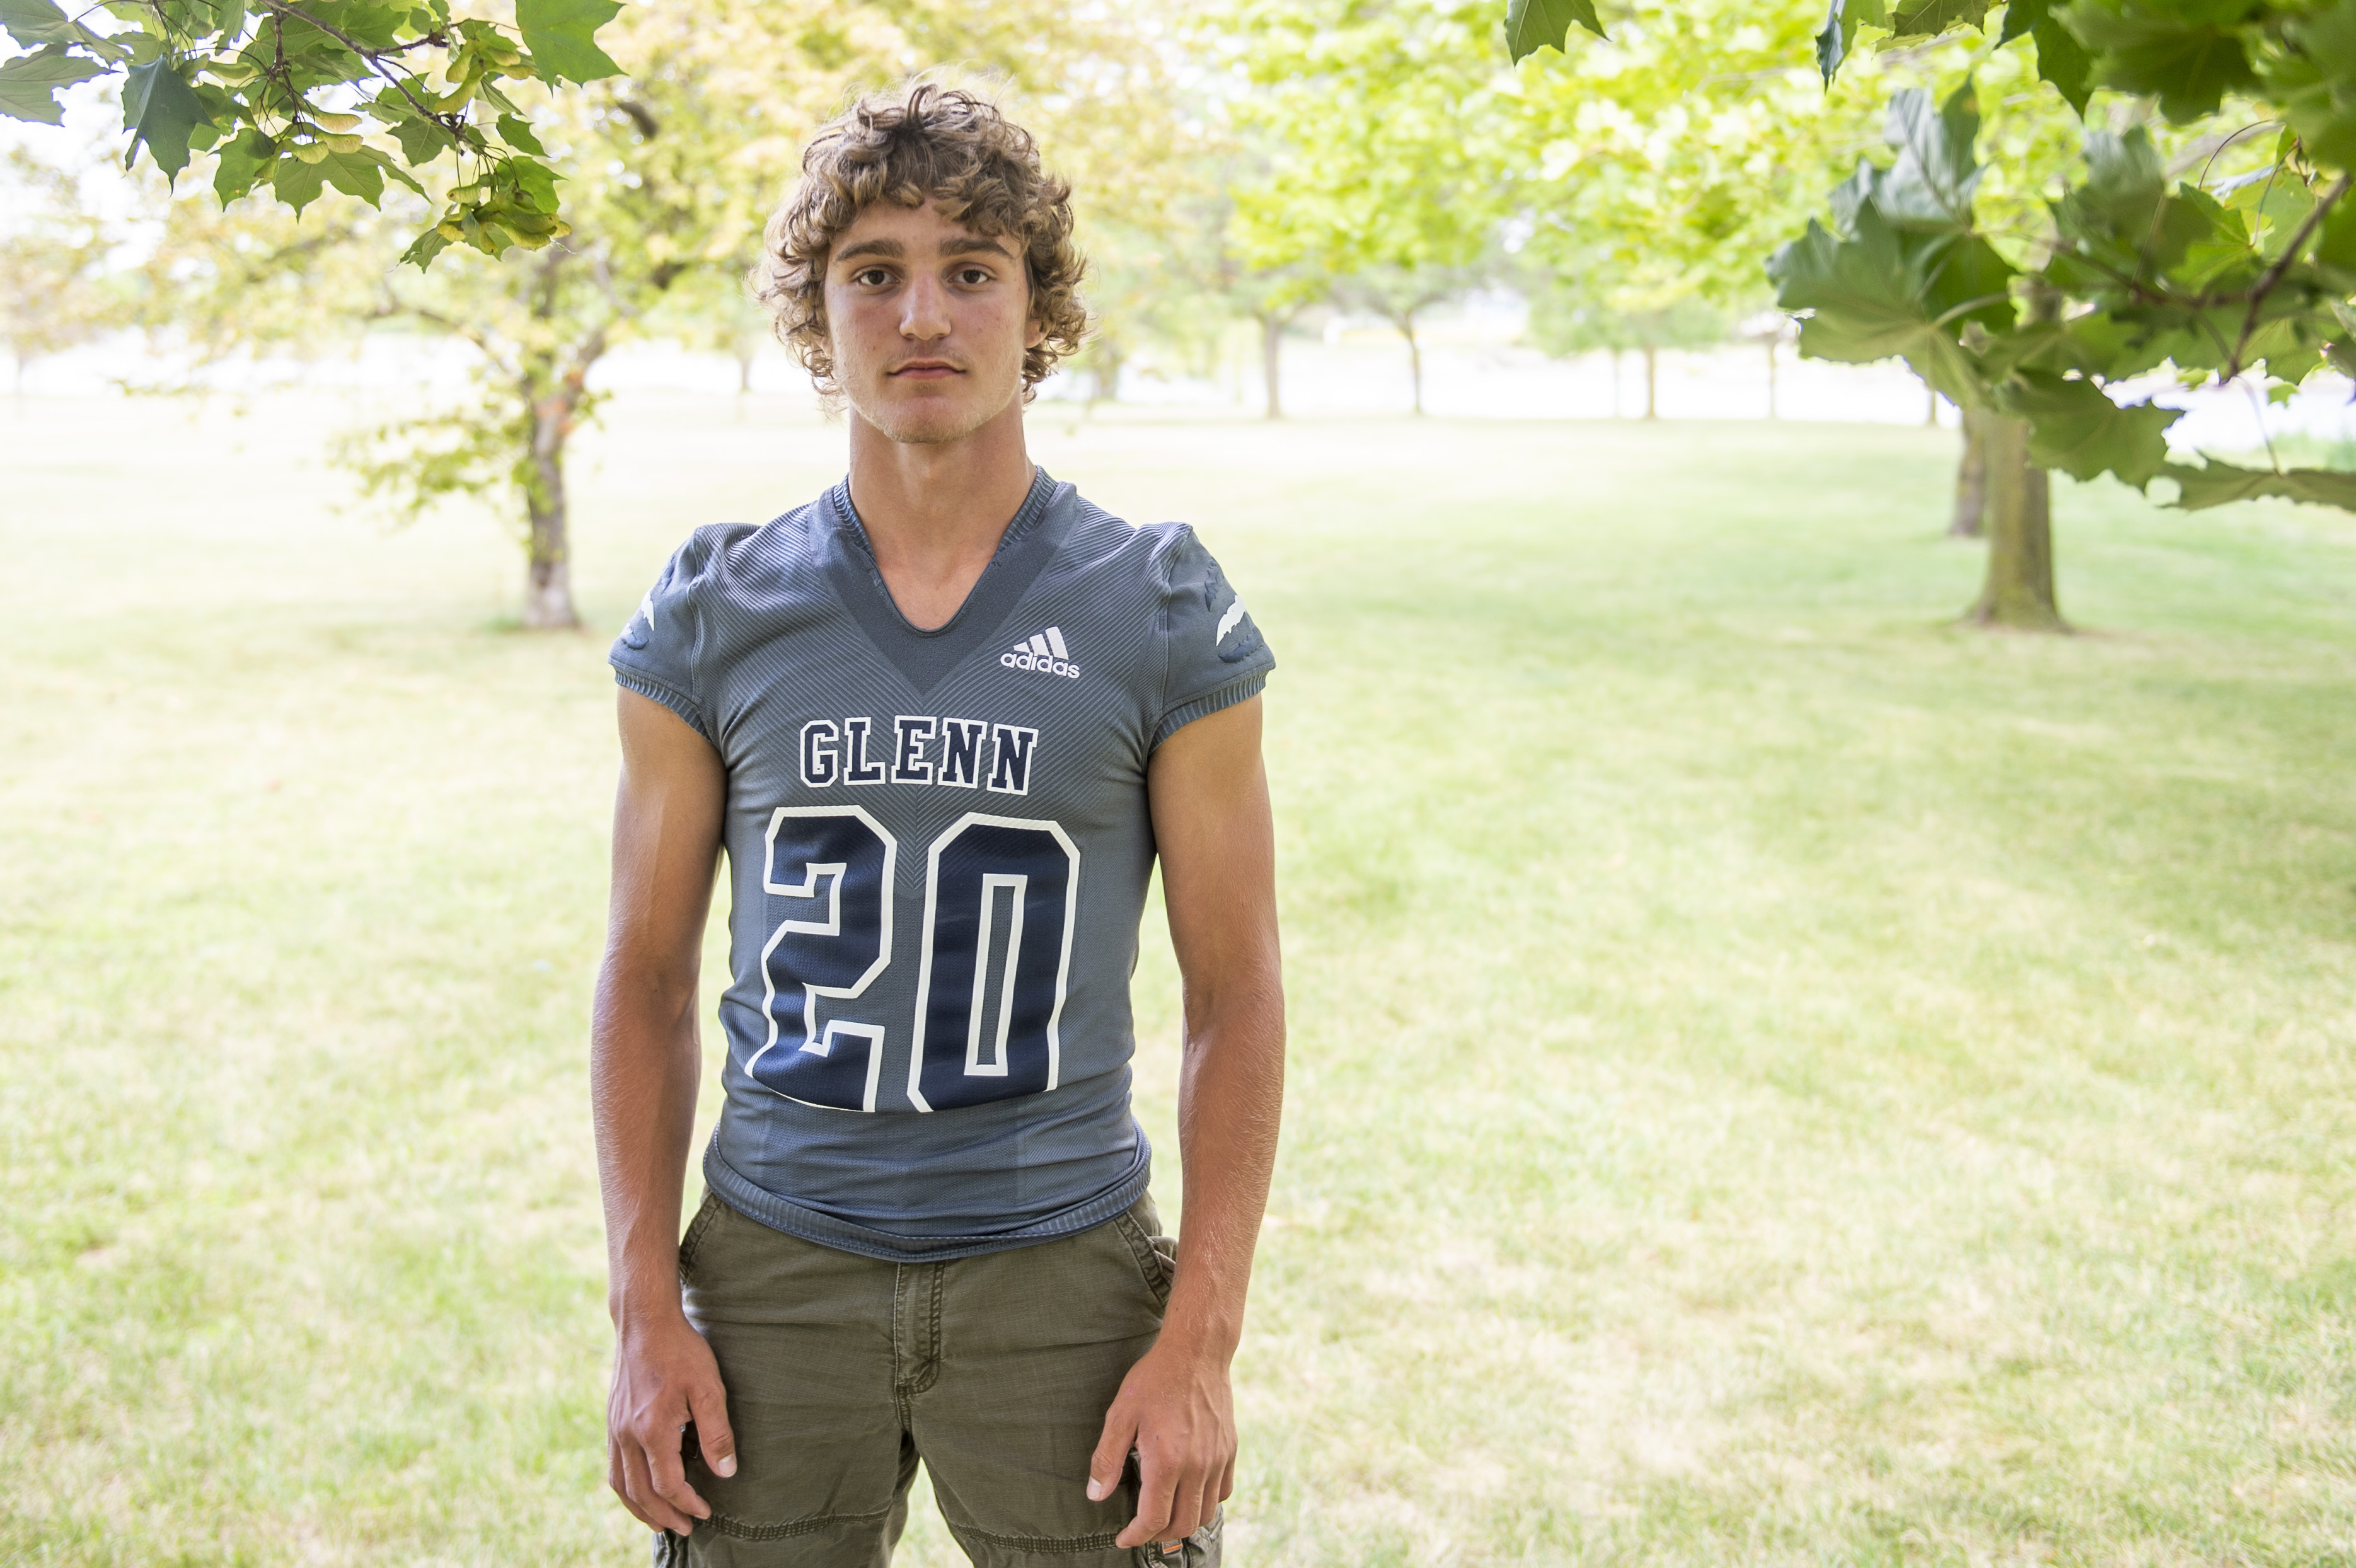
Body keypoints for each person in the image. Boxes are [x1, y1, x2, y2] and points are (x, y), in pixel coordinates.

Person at [590, 82, 1285, 1568]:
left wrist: (1201, 1340)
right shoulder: (718, 604)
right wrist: (646, 1307)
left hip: (1063, 1268)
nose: (923, 312)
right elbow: (644, 978)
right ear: (815, 312)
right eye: (874, 271)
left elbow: (1238, 992)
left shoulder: (1156, 601)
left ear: (1036, 308)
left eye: (972, 268)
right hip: (776, 1265)